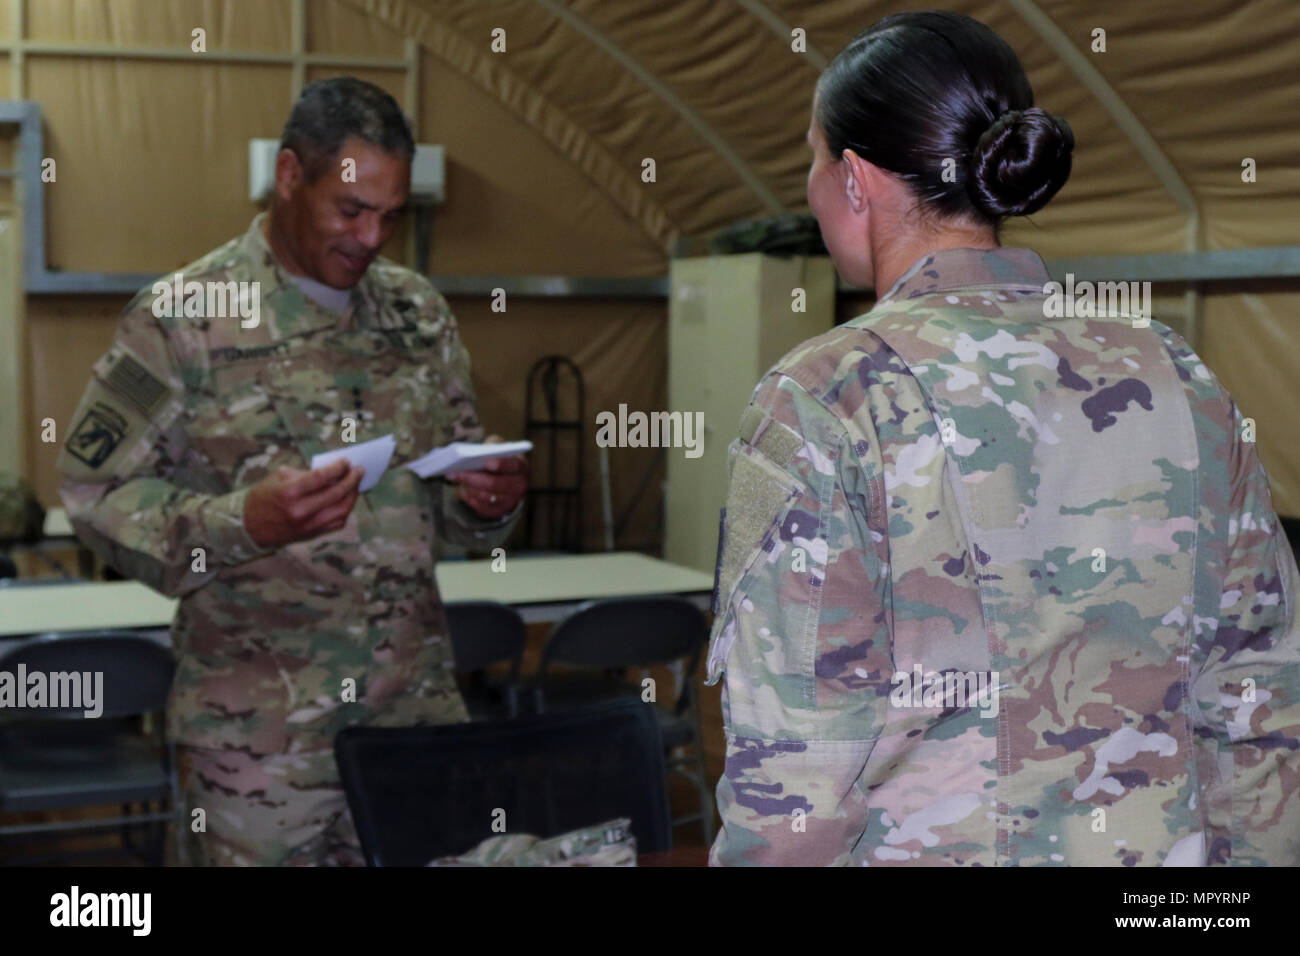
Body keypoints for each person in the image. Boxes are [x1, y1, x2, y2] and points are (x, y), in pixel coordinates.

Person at [705, 11, 1300, 866]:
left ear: (857, 179)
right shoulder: (1174, 372)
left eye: (813, 155)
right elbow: (1260, 701)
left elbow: (795, 781)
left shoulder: (829, 396)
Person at [57, 76, 528, 866]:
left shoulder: (417, 314)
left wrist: (487, 503)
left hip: (409, 715)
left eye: (390, 216)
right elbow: (96, 495)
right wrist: (243, 523)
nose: (373, 237)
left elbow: (453, 494)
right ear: (288, 176)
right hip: (261, 742)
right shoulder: (181, 318)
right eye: (351, 210)